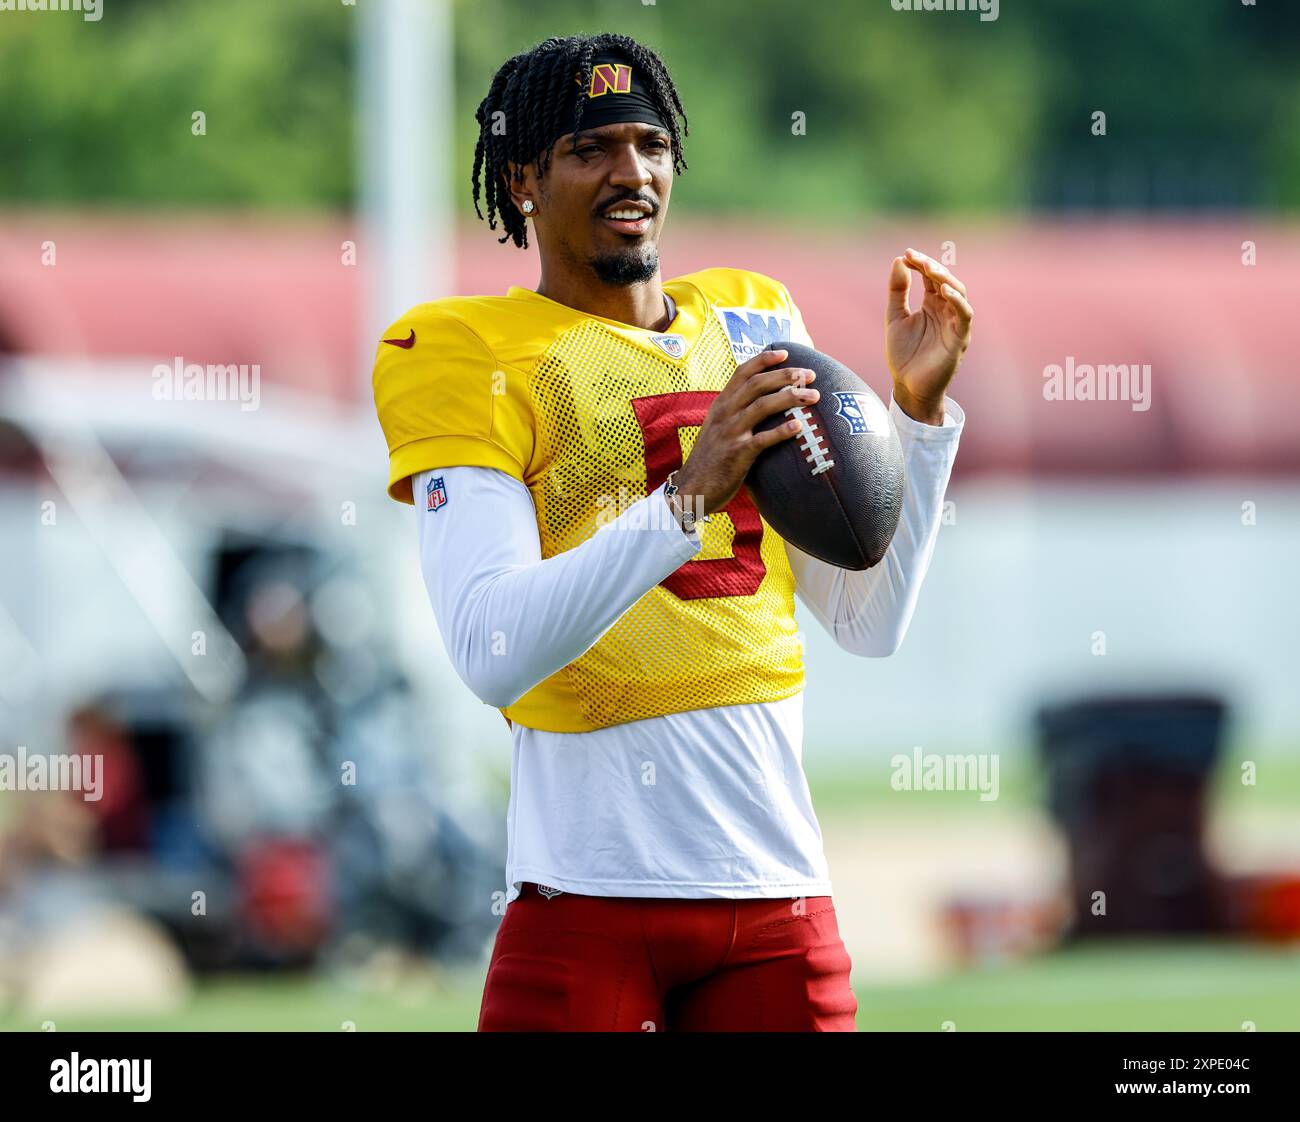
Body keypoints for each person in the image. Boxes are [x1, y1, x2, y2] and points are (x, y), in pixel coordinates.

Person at [372, 32, 973, 1031]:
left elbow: (864, 621)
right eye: (589, 147)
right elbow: (489, 652)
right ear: (521, 177)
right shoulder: (462, 351)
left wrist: (914, 422)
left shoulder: (749, 321)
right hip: (586, 898)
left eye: (649, 142)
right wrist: (683, 502)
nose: (631, 171)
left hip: (776, 890)